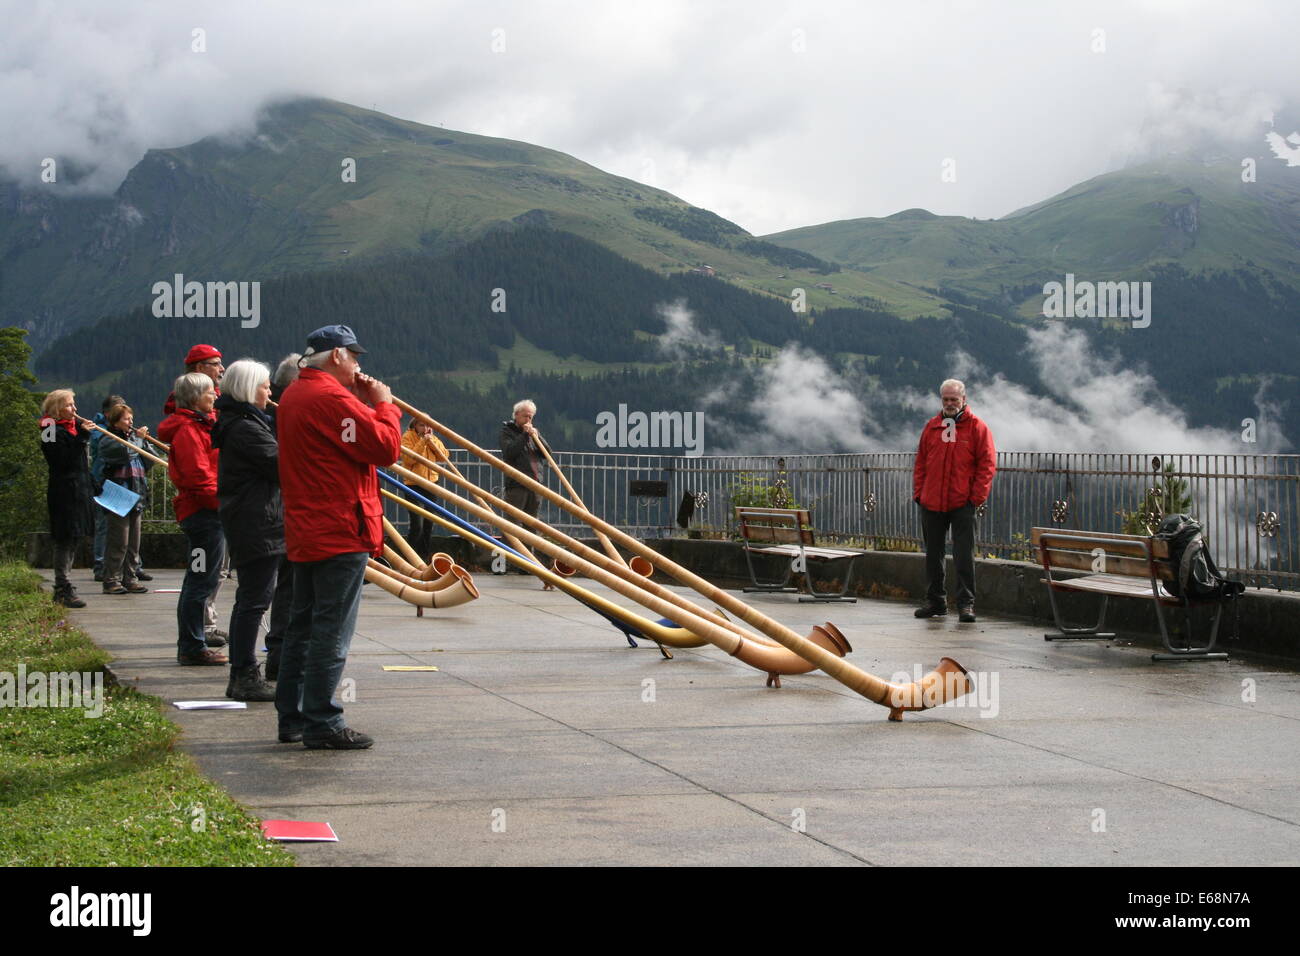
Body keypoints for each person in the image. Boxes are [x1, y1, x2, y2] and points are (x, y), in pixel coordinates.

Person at [276, 325, 400, 749]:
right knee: (331, 630)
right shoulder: (331, 396)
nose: (359, 363)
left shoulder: (296, 392)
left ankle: (292, 717)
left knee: (304, 624)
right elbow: (385, 448)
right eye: (354, 355)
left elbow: (343, 439)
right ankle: (323, 722)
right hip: (340, 527)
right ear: (335, 356)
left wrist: (362, 405)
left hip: (310, 527)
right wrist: (384, 406)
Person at [211, 360, 282, 701]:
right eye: (265, 386)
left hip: (252, 519)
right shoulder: (246, 429)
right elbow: (281, 466)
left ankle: (244, 671)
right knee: (254, 601)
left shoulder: (242, 423)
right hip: (257, 522)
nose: (270, 392)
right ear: (247, 389)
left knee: (251, 600)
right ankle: (243, 674)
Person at [912, 378, 996, 623]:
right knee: (933, 555)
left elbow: (987, 465)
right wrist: (920, 493)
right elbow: (921, 463)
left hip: (963, 503)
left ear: (963, 400)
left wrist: (976, 498)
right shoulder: (932, 427)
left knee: (963, 555)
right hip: (931, 502)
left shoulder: (978, 427)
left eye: (954, 400)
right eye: (946, 399)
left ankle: (966, 604)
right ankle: (935, 602)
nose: (949, 404)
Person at [159, 373, 229, 665]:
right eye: (209, 393)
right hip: (203, 516)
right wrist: (226, 501)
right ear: (195, 397)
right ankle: (191, 646)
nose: (214, 396)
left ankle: (193, 642)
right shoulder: (189, 431)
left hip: (208, 513)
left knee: (203, 579)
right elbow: (199, 479)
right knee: (200, 580)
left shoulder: (201, 425)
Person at [262, 353, 301, 681]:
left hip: (284, 508)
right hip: (282, 509)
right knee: (282, 586)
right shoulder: (273, 415)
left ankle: (281, 652)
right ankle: (280, 654)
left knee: (286, 585)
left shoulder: (275, 411)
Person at [39, 390, 94, 608]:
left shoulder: (69, 428)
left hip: (78, 490)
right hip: (64, 491)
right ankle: (62, 586)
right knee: (65, 537)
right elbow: (58, 460)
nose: (75, 409)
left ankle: (65, 582)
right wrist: (81, 437)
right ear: (57, 408)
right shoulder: (49, 428)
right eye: (70, 405)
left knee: (74, 537)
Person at [98, 403, 153, 595]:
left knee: (133, 544)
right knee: (118, 542)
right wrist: (138, 441)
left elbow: (150, 459)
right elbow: (125, 453)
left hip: (137, 493)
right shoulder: (108, 439)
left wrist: (144, 441)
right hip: (119, 494)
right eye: (126, 419)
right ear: (115, 421)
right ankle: (111, 579)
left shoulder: (133, 439)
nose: (131, 422)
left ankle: (130, 578)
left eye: (131, 418)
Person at [399, 417, 449, 560]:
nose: (425, 428)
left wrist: (431, 441)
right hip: (413, 484)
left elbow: (444, 456)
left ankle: (424, 557)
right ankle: (411, 557)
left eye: (427, 425)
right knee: (417, 523)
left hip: (431, 483)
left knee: (429, 523)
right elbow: (409, 459)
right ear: (415, 425)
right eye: (421, 425)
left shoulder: (432, 438)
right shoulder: (407, 437)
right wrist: (423, 441)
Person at [90, 394, 125, 582]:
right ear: (108, 412)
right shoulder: (99, 429)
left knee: (125, 527)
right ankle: (100, 565)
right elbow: (102, 444)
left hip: (122, 480)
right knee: (104, 525)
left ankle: (130, 567)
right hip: (103, 479)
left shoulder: (119, 427)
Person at [499, 400, 547, 519]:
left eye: (531, 417)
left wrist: (537, 437)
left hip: (535, 484)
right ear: (516, 415)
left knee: (532, 523)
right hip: (517, 484)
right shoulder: (507, 431)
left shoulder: (533, 434)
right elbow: (510, 452)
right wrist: (524, 436)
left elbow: (547, 453)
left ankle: (529, 539)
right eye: (525, 416)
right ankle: (510, 539)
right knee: (512, 522)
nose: (528, 420)